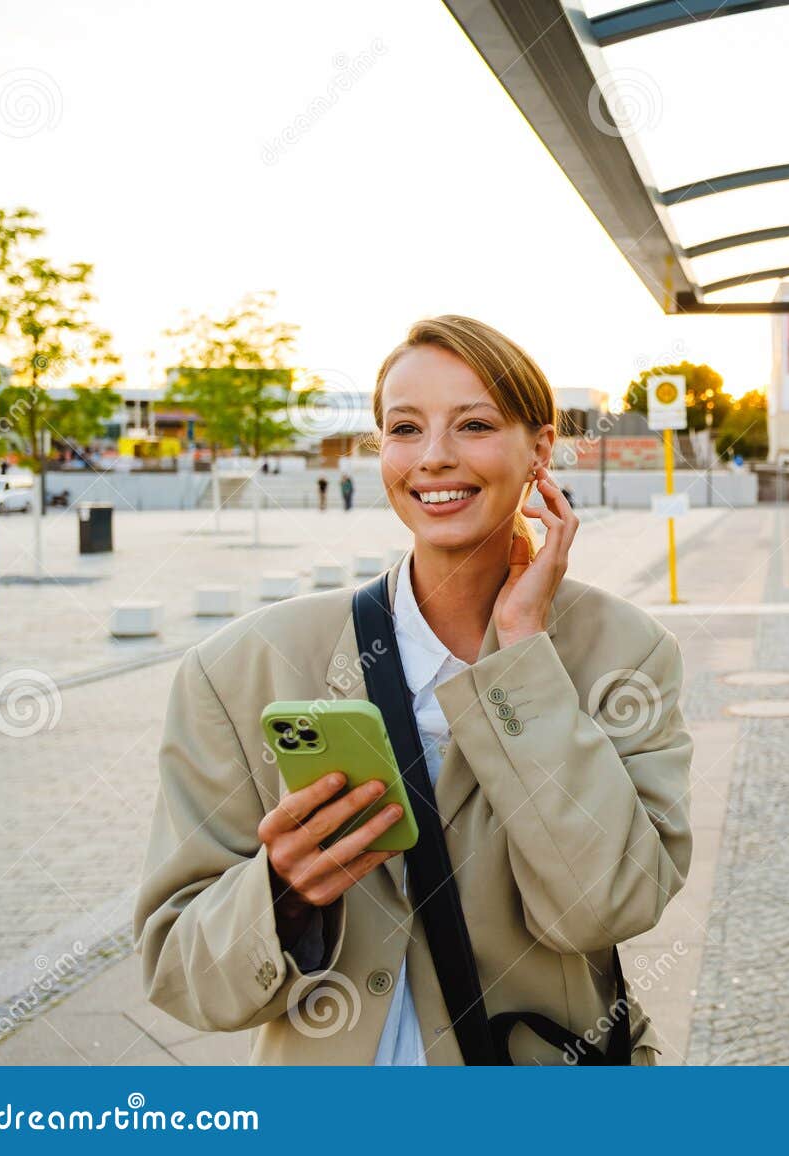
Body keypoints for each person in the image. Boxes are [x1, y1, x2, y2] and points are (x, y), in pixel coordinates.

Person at [134, 315, 693, 1064]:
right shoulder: (240, 669)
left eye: (475, 424)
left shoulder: (626, 656)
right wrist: (281, 892)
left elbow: (606, 907)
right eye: (405, 428)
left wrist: (524, 652)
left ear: (540, 450)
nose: (434, 458)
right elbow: (177, 973)